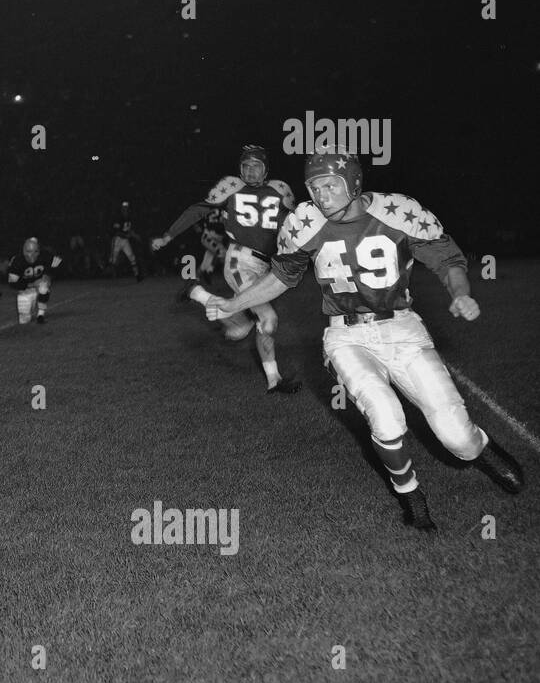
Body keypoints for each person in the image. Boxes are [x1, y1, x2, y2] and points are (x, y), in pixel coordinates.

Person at [205, 150, 524, 532]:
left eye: (330, 186)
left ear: (354, 183)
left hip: (402, 328)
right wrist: (233, 303)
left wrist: (460, 292)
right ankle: (410, 494)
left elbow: (445, 257)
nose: (321, 196)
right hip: (346, 334)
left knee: (457, 439)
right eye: (314, 187)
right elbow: (281, 277)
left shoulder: (396, 211)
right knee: (386, 418)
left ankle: (481, 449)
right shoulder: (304, 222)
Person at [153, 145, 299, 393]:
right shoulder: (231, 186)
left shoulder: (280, 189)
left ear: (266, 170)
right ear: (239, 169)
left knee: (240, 330)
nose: (251, 172)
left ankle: (197, 292)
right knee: (268, 318)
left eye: (256, 166)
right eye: (246, 166)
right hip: (239, 261)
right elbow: (198, 209)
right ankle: (275, 381)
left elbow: (296, 223)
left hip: (266, 266)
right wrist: (168, 236)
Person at [7, 237, 62, 324]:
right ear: (23, 251)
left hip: (39, 285)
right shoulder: (17, 261)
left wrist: (48, 275)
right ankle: (30, 311)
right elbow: (13, 283)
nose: (32, 255)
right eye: (29, 251)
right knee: (24, 320)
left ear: (39, 251)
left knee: (44, 286)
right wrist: (31, 284)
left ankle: (40, 315)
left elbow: (58, 262)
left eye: (35, 251)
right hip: (25, 290)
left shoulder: (45, 256)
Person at [109, 202, 144, 282]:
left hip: (125, 240)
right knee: (113, 259)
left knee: (132, 257)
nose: (125, 210)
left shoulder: (129, 218)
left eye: (126, 208)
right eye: (124, 208)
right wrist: (126, 235)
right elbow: (115, 231)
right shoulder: (118, 218)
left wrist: (135, 236)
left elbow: (129, 230)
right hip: (117, 239)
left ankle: (137, 275)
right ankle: (112, 276)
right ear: (121, 209)